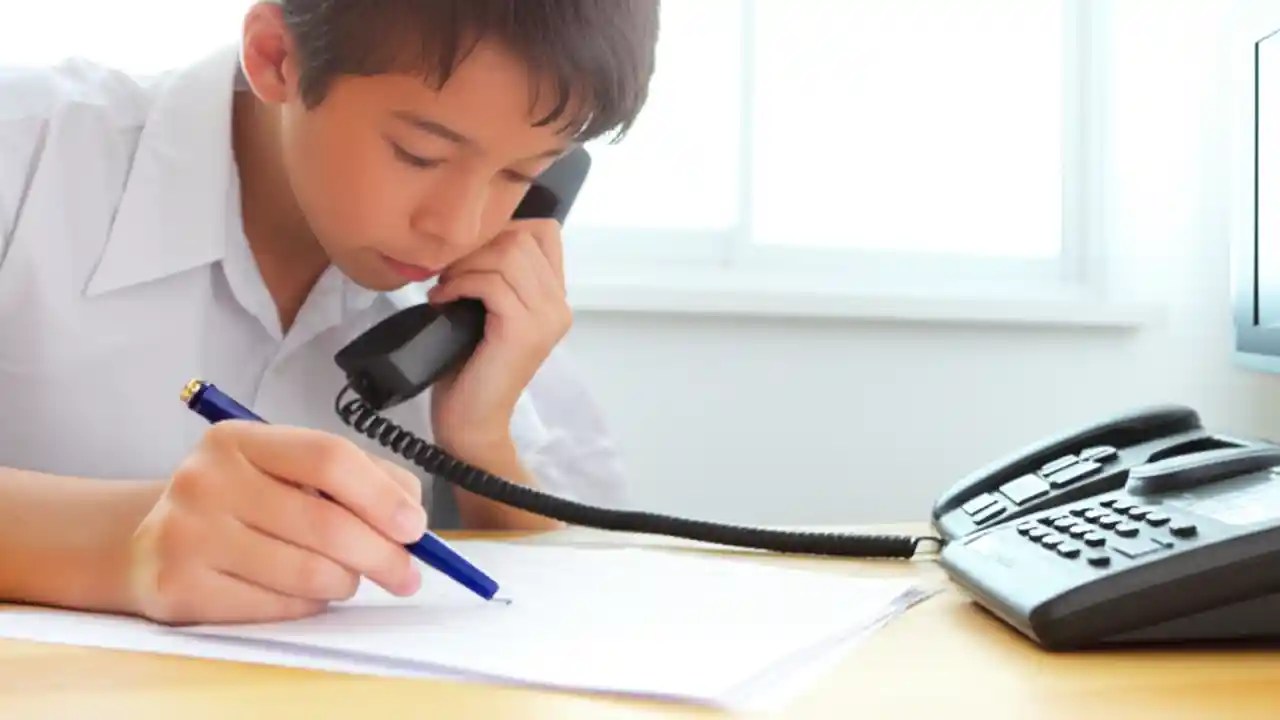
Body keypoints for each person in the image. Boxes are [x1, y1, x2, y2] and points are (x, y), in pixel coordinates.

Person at [0, 1, 658, 624]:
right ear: (275, 56)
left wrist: (482, 442)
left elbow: (594, 613)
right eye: (419, 155)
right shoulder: (24, 152)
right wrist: (115, 545)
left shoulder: (488, 301)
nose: (457, 228)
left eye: (521, 176)